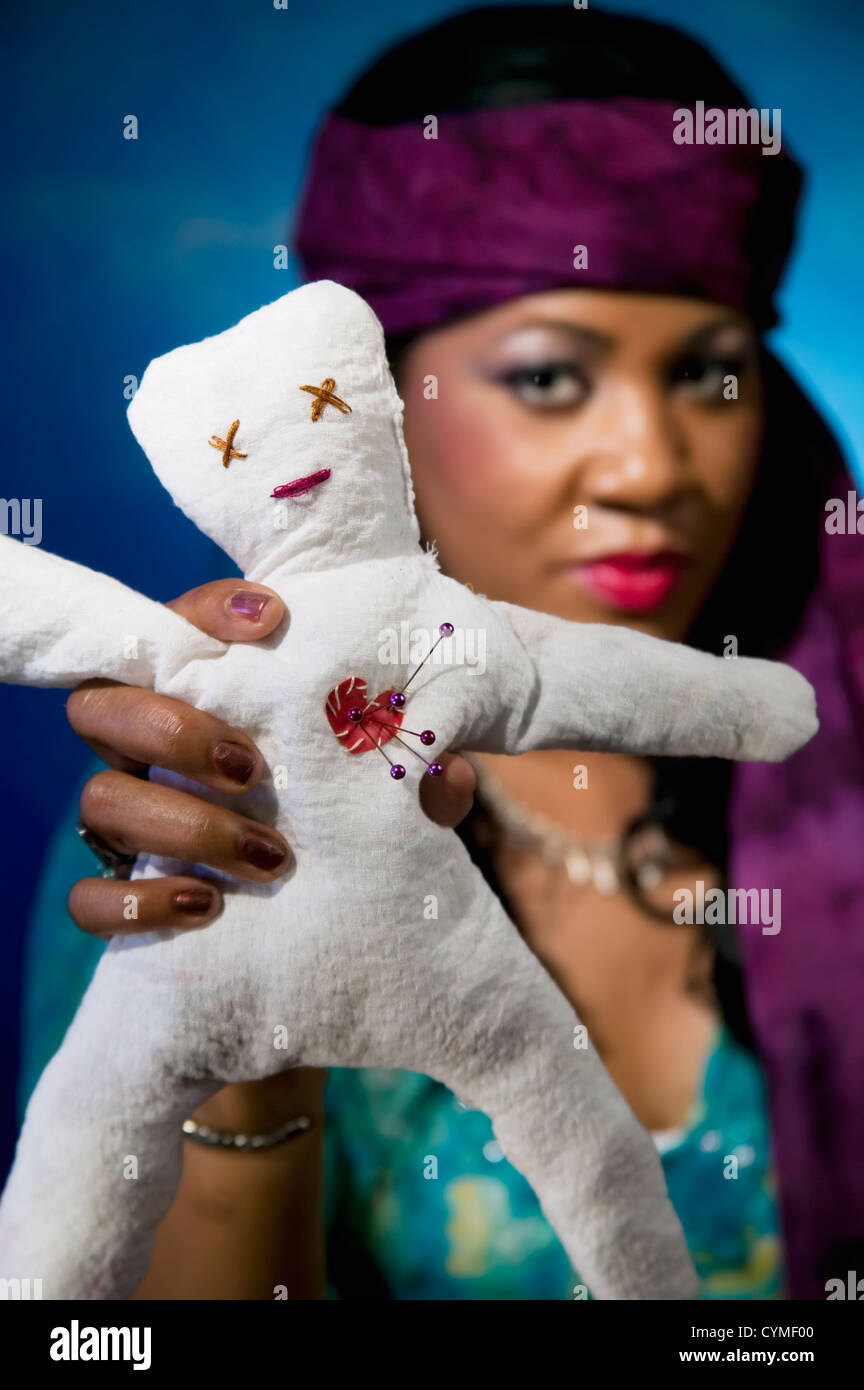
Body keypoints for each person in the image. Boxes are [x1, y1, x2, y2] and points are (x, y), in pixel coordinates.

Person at [15, 6, 864, 1300]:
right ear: (380, 408)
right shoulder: (194, 822)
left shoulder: (836, 742)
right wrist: (243, 1052)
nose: (649, 467)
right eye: (547, 379)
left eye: (707, 375)